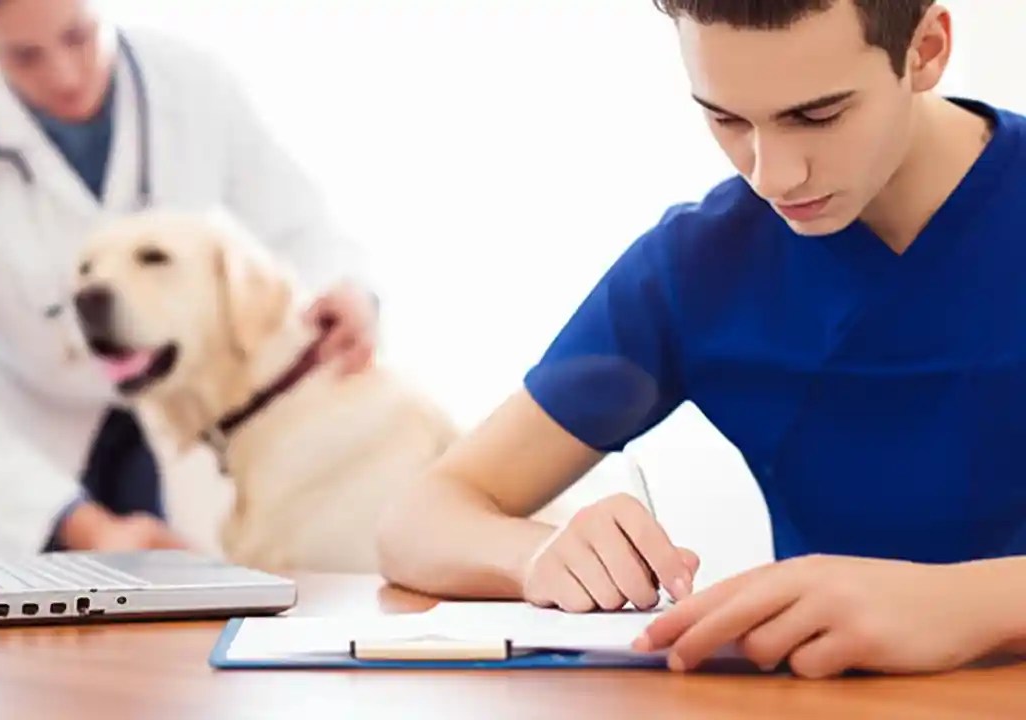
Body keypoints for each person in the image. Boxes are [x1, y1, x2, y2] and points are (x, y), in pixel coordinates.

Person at [376, 0, 1026, 679]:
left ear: (925, 51)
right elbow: (417, 521)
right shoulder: (700, 266)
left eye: (818, 115)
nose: (772, 176)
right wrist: (535, 555)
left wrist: (961, 605)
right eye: (727, 118)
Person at [0, 0, 378, 556]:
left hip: (194, 430)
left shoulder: (189, 83)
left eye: (78, 36)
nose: (65, 76)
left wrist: (346, 290)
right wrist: (80, 525)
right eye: (26, 56)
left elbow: (300, 228)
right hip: (39, 460)